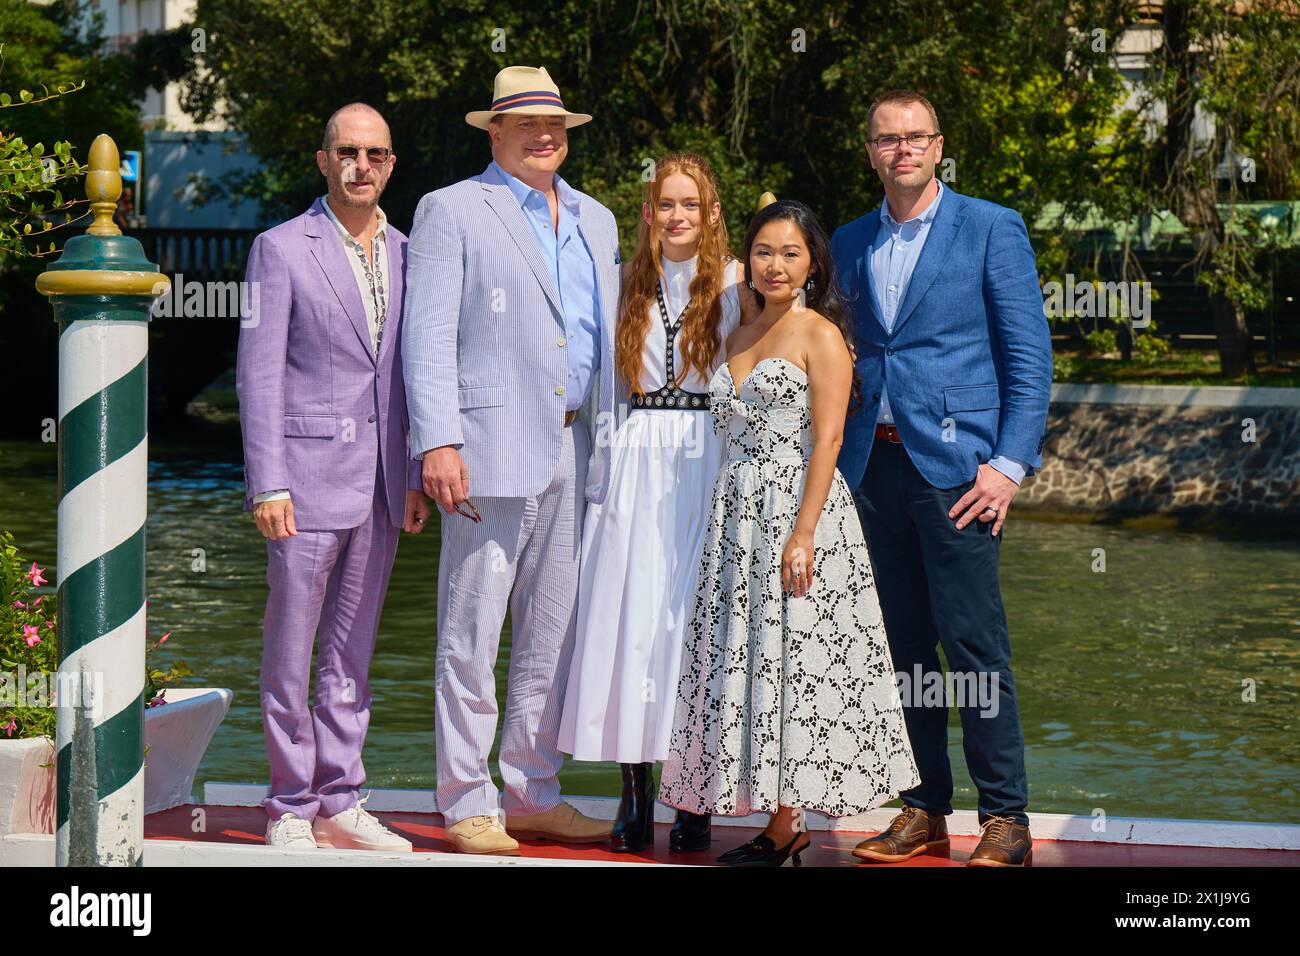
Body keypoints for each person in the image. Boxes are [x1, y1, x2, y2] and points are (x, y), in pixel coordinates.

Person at [658, 198, 920, 867]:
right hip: (737, 511)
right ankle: (779, 818)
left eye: (791, 253)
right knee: (757, 659)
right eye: (765, 251)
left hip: (800, 510)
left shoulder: (820, 335)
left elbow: (829, 437)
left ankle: (787, 825)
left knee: (796, 658)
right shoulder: (739, 331)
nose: (775, 265)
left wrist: (803, 532)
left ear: (813, 264)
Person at [401, 66, 619, 855]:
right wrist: (438, 440)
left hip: (576, 442)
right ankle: (466, 799)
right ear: (493, 133)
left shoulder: (597, 219)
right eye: (525, 122)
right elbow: (424, 336)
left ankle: (530, 792)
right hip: (484, 449)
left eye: (554, 121)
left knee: (551, 635)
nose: (543, 133)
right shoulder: (452, 209)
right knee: (470, 631)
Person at [832, 89, 1052, 867]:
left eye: (915, 137)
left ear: (938, 144)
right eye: (887, 139)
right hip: (871, 469)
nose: (902, 150)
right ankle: (922, 809)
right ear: (871, 150)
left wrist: (1008, 465)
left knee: (973, 647)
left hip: (961, 472)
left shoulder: (990, 227)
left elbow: (1030, 360)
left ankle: (1005, 818)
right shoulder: (849, 240)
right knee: (901, 654)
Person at [237, 103, 430, 851]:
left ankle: (342, 797)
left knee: (352, 652)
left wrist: (413, 472)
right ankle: (290, 801)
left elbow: (412, 376)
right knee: (291, 649)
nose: (361, 166)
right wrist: (268, 483)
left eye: (375, 154)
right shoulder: (281, 249)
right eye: (347, 152)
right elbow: (258, 375)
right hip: (304, 478)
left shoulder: (412, 252)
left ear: (390, 164)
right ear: (323, 160)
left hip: (383, 483)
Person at [557, 153, 747, 853]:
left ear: (710, 213)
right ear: (647, 213)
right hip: (635, 459)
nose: (676, 216)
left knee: (692, 628)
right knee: (632, 623)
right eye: (665, 204)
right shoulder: (619, 285)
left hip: (706, 460)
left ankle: (694, 795)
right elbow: (594, 382)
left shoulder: (736, 286)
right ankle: (634, 793)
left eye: (690, 205)